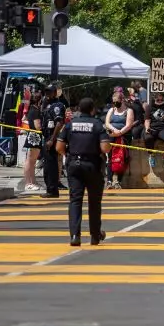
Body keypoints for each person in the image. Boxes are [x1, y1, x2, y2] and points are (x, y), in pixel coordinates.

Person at [56, 97, 111, 246]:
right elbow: (105, 148)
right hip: (92, 165)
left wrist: (69, 154)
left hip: (74, 164)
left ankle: (75, 236)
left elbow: (59, 147)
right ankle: (94, 235)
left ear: (79, 110)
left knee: (75, 200)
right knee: (94, 202)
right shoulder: (98, 124)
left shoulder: (70, 125)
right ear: (92, 109)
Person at [40, 84, 68, 198]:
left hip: (52, 137)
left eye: (49, 92)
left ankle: (52, 190)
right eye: (46, 92)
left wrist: (52, 139)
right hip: (46, 136)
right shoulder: (47, 105)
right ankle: (50, 188)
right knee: (47, 165)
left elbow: (59, 123)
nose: (47, 94)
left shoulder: (57, 105)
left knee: (51, 165)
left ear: (55, 93)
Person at [104, 89, 134, 189]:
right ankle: (109, 180)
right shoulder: (111, 110)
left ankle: (118, 181)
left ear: (122, 100)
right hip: (111, 136)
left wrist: (120, 133)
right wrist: (114, 131)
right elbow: (107, 123)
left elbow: (129, 125)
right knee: (110, 157)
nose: (115, 103)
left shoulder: (129, 111)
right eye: (113, 101)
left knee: (122, 158)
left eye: (116, 101)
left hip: (124, 136)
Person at [22, 88, 44, 192]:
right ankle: (28, 183)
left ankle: (33, 181)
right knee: (30, 160)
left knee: (33, 161)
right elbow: (37, 126)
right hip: (34, 136)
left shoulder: (32, 109)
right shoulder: (35, 111)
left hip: (34, 136)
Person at [142, 91, 164, 168]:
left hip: (163, 128)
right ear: (154, 99)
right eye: (158, 100)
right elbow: (147, 120)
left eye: (162, 100)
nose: (160, 102)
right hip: (152, 127)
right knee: (148, 138)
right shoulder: (149, 107)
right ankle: (151, 154)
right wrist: (147, 128)